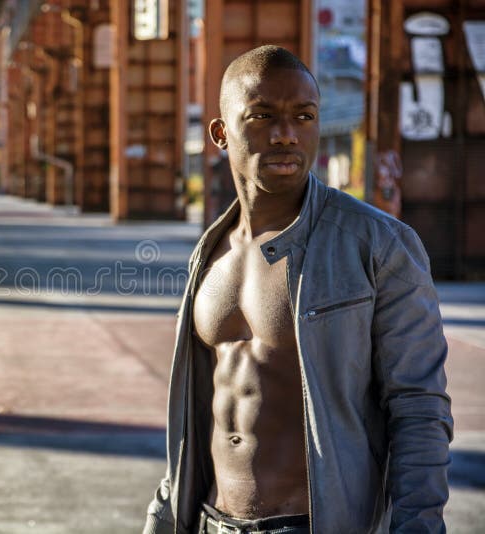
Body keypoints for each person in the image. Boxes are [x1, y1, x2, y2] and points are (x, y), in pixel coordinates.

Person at [143, 45, 452, 534]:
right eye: (262, 115)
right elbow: (195, 415)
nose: (286, 134)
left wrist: (418, 526)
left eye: (303, 116)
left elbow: (418, 406)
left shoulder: (378, 244)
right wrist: (163, 515)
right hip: (208, 520)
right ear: (222, 133)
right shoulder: (211, 253)